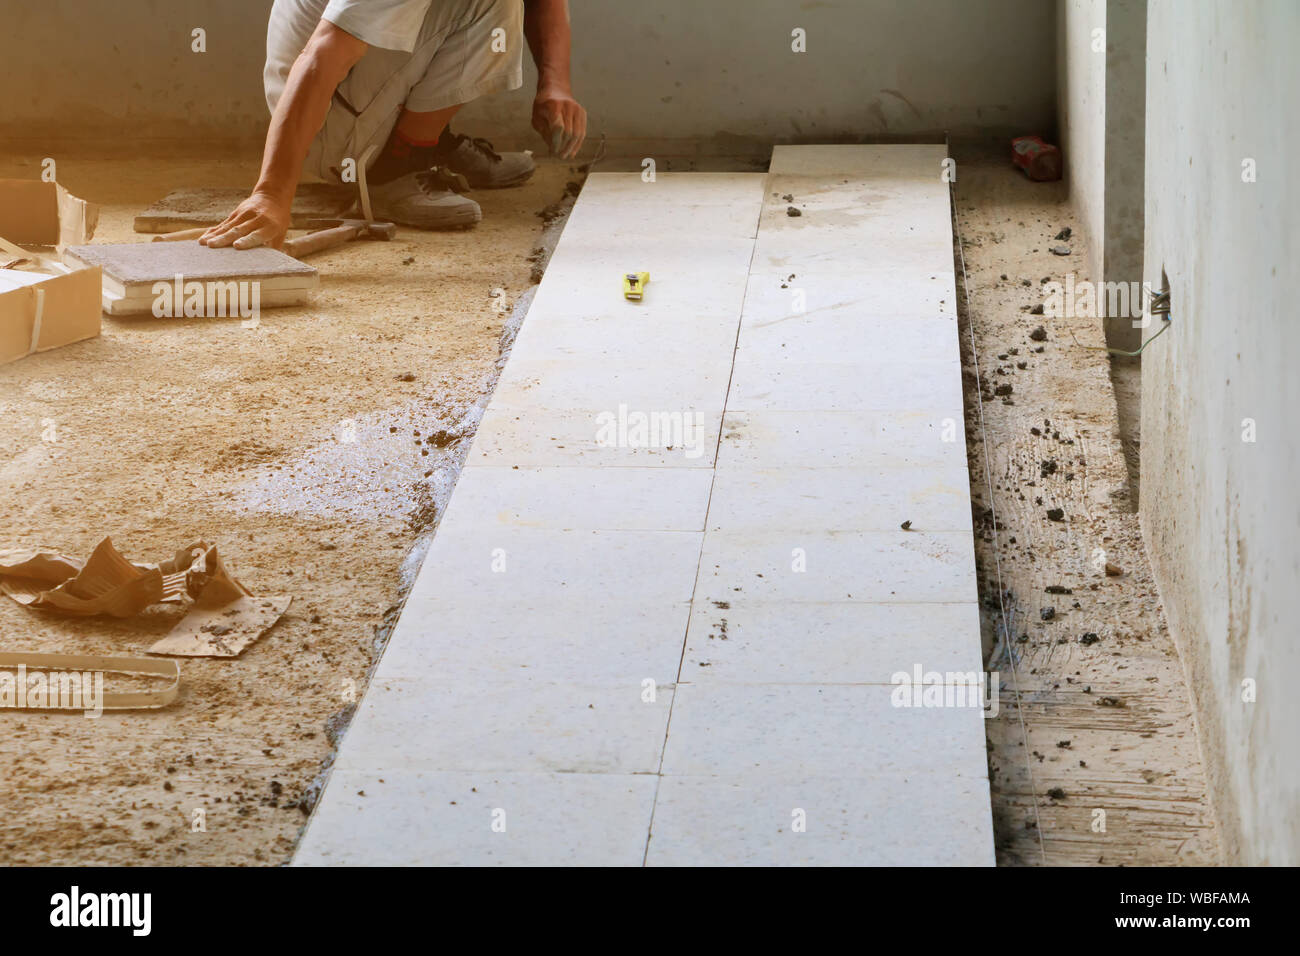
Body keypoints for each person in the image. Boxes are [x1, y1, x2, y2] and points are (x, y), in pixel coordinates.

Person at [201, 0, 586, 250]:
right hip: (324, 127)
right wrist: (270, 194)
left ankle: (428, 143)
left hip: (354, 99)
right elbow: (322, 57)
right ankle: (395, 169)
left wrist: (555, 85)